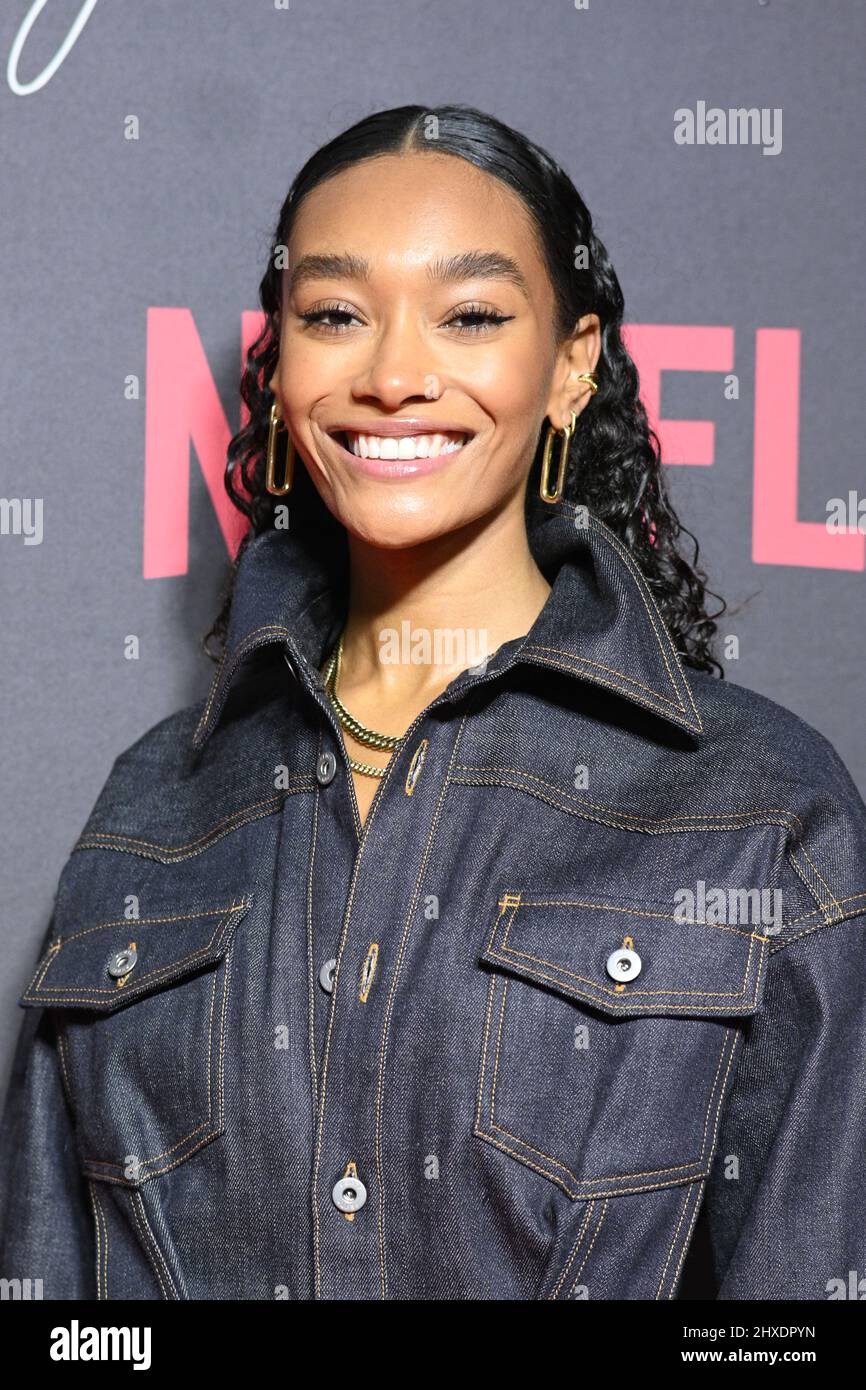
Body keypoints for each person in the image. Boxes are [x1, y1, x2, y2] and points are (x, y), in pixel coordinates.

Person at [2, 103, 865, 1301]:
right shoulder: (153, 808)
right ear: (281, 364)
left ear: (571, 366)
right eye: (335, 315)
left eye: (469, 315)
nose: (396, 375)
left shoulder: (760, 807)